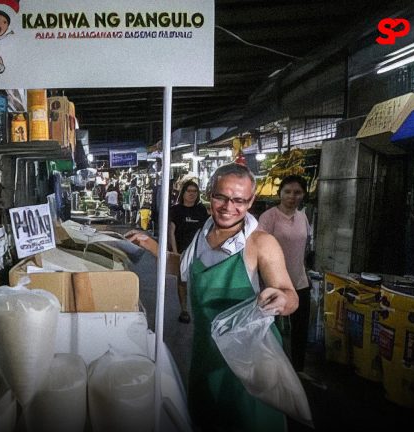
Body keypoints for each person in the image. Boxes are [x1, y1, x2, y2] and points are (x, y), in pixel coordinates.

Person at [127, 163, 298, 431]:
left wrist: (282, 300)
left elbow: (291, 295)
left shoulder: (260, 243)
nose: (229, 207)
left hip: (248, 360)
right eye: (221, 197)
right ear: (210, 194)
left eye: (239, 200)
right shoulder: (202, 235)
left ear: (251, 200)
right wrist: (149, 245)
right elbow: (183, 268)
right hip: (206, 353)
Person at [258, 175, 311, 372]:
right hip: (274, 282)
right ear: (280, 193)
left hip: (299, 280)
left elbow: (303, 247)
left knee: (300, 330)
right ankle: (271, 370)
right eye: (287, 192)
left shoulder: (303, 216)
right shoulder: (269, 217)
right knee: (270, 328)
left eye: (297, 192)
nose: (292, 196)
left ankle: (298, 370)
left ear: (303, 195)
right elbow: (260, 247)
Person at [169, 180, 209, 324]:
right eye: (189, 191)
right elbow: (171, 232)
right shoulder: (176, 210)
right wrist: (175, 252)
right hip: (182, 250)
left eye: (195, 191)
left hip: (200, 251)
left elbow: (207, 230)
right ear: (183, 193)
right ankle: (184, 310)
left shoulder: (201, 210)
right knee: (182, 280)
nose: (192, 194)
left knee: (200, 281)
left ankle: (200, 308)